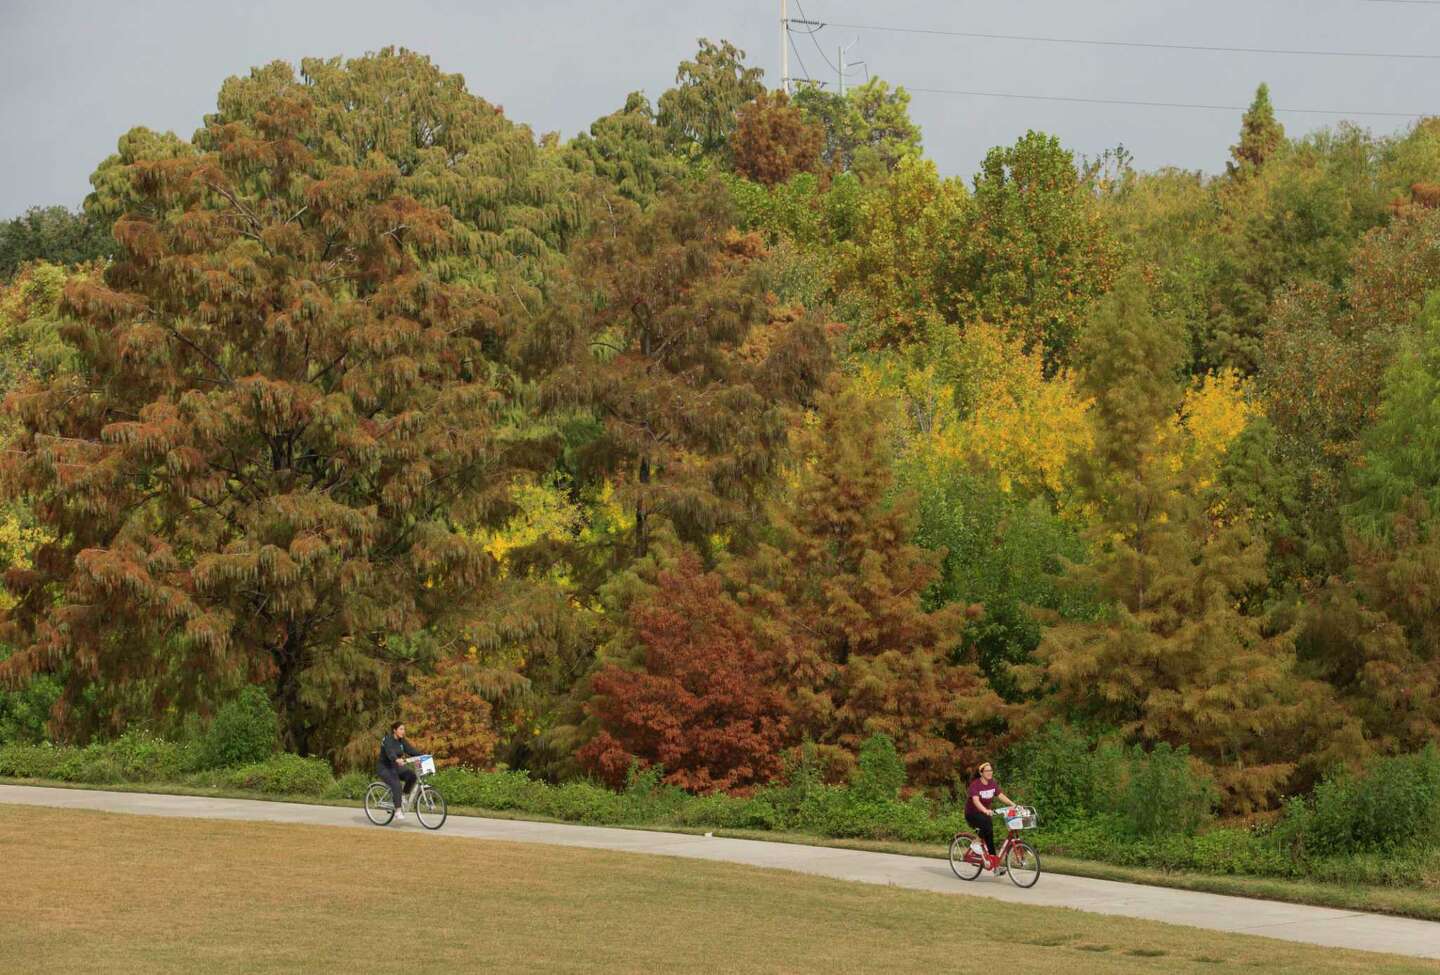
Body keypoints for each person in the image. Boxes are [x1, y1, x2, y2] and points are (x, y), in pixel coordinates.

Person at [965, 760, 1017, 872]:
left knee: (990, 836)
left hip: (985, 814)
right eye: (987, 770)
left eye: (991, 770)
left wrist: (1012, 804)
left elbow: (1000, 795)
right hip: (972, 814)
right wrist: (985, 810)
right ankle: (976, 843)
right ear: (981, 773)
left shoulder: (992, 783)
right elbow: (976, 801)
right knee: (986, 825)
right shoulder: (975, 785)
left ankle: (995, 866)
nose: (990, 772)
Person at [377, 721, 424, 821]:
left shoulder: (402, 740)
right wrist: (396, 759)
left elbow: (411, 750)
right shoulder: (387, 739)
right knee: (396, 784)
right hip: (385, 768)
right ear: (395, 730)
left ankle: (402, 796)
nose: (403, 731)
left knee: (412, 776)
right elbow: (390, 752)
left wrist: (422, 756)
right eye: (401, 729)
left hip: (395, 767)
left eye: (404, 729)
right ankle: (398, 811)